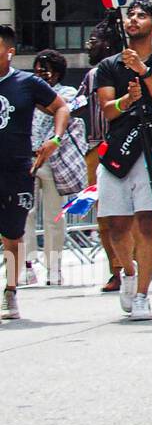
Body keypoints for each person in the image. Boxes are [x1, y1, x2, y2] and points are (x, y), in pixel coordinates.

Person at [94, 1, 152, 321]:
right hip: (118, 149)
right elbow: (107, 109)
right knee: (116, 225)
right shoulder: (109, 66)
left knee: (147, 222)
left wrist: (144, 72)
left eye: (141, 16)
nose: (133, 20)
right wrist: (126, 99)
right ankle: (127, 273)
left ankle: (143, 293)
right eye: (130, 15)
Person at [0, 26, 70, 320]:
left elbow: (61, 107)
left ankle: (10, 291)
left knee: (12, 235)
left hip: (16, 168)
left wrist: (54, 140)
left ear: (9, 52)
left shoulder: (26, 83)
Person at [22, 50, 80, 286]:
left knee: (54, 218)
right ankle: (26, 265)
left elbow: (64, 110)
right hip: (27, 158)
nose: (41, 74)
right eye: (37, 69)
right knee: (24, 214)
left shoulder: (67, 93)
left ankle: (53, 268)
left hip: (54, 161)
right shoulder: (26, 91)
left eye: (46, 70)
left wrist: (41, 94)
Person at [77, 19, 127, 291]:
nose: (88, 45)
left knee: (114, 213)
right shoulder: (96, 75)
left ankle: (124, 268)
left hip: (112, 148)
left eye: (93, 40)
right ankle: (119, 268)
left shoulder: (109, 72)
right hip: (104, 149)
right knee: (110, 214)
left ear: (107, 44)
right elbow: (76, 104)